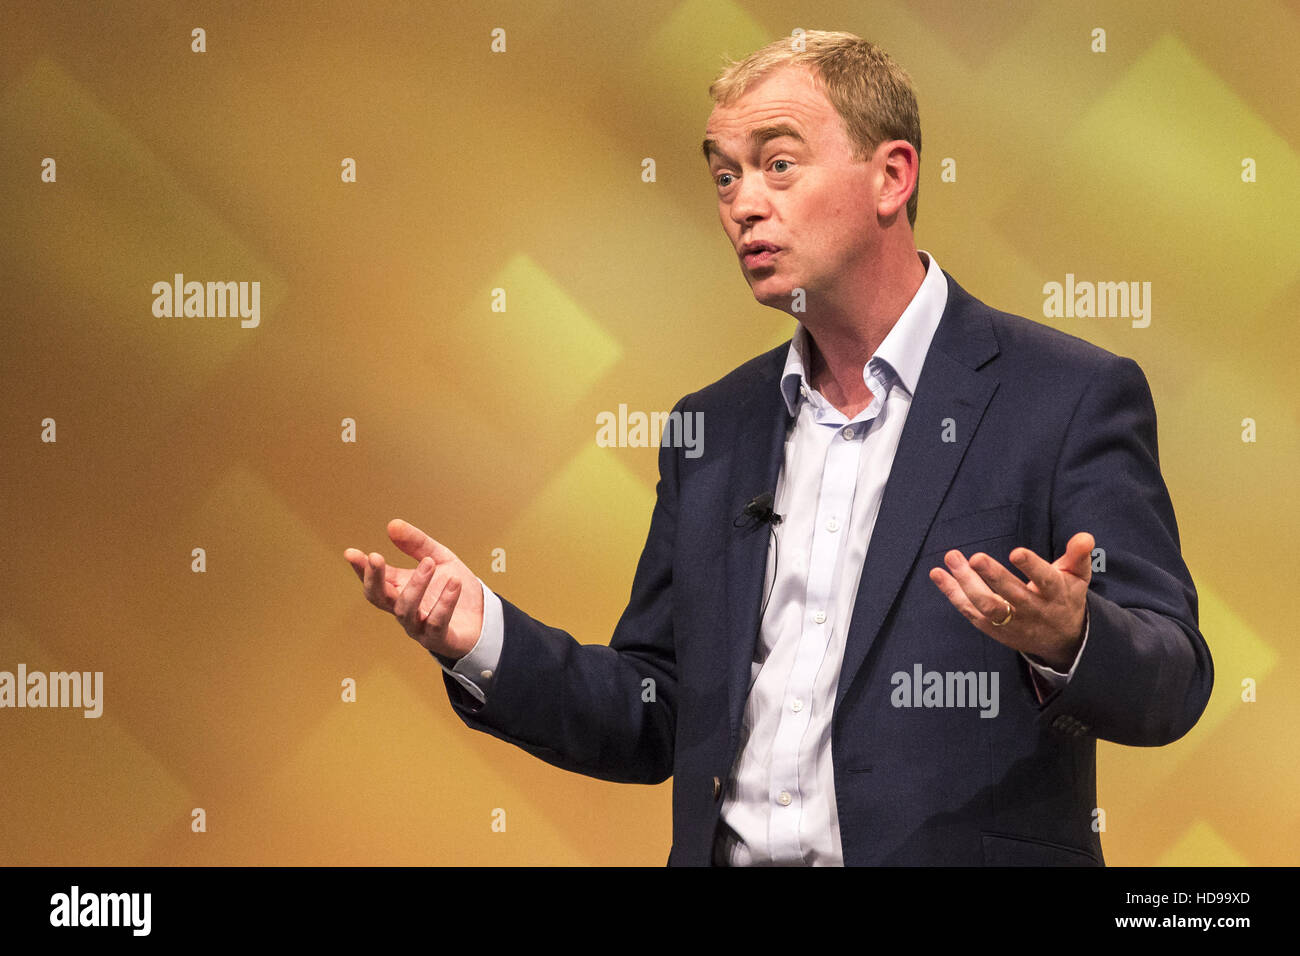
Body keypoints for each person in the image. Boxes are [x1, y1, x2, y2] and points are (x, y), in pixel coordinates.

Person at [344, 31, 1212, 866]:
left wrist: (1071, 636)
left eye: (778, 163)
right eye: (726, 176)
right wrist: (484, 637)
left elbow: (1174, 677)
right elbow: (659, 710)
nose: (744, 204)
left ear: (891, 176)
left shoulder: (1061, 397)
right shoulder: (713, 432)